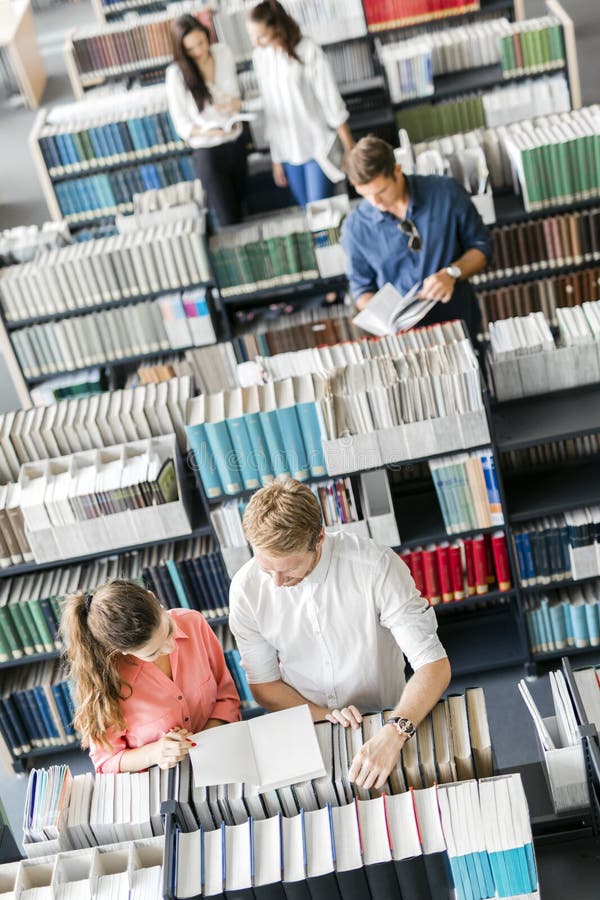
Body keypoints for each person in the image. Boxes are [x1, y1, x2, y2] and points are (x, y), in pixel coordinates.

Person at [229, 480, 451, 791]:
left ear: (319, 538)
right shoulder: (245, 589)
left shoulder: (375, 566)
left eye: (289, 570)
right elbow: (265, 686)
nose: (276, 583)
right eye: (267, 568)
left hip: (388, 715)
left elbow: (434, 666)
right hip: (309, 723)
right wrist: (325, 715)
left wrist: (395, 731)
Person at [61, 579, 241, 773]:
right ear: (119, 650)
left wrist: (203, 740)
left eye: (170, 630)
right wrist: (155, 752)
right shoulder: (108, 681)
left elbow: (226, 696)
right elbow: (106, 762)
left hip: (222, 753)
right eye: (152, 653)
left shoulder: (193, 622)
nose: (171, 647)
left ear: (153, 598)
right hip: (162, 779)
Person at [341, 134, 493, 343]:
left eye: (382, 191)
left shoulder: (446, 192)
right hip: (404, 338)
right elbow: (361, 290)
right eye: (365, 194)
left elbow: (482, 247)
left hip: (457, 321)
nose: (376, 202)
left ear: (397, 170)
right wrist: (383, 318)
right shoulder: (354, 228)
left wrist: (452, 273)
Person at [247, 0, 355, 207]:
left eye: (260, 36)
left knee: (320, 209)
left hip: (318, 146)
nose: (255, 42)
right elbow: (272, 110)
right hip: (288, 151)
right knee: (306, 210)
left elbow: (330, 99)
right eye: (252, 36)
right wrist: (276, 159)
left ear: (276, 28)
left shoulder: (307, 49)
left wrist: (349, 146)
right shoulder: (260, 56)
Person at [166, 15, 247, 226]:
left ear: (207, 34)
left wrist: (235, 105)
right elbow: (182, 125)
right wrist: (210, 132)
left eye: (201, 42)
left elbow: (237, 95)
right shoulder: (176, 74)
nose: (199, 51)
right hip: (209, 153)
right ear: (182, 50)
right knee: (229, 221)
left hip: (236, 143)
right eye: (191, 49)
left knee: (245, 208)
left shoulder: (223, 53)